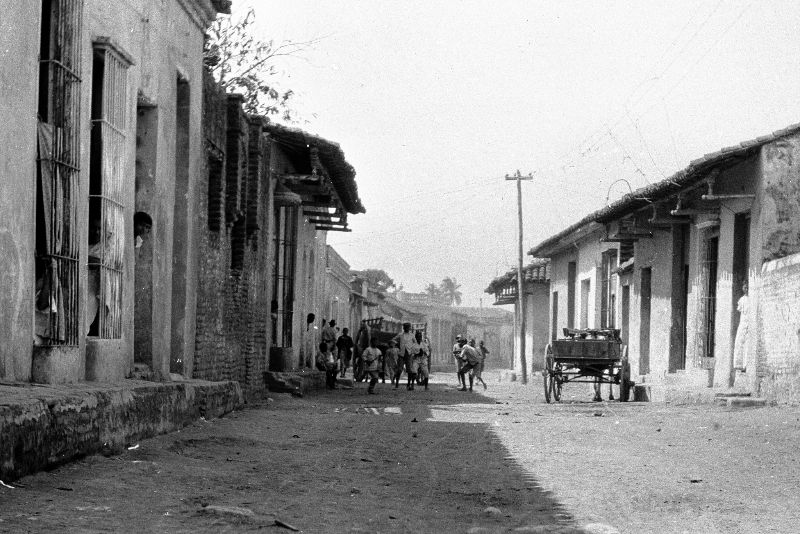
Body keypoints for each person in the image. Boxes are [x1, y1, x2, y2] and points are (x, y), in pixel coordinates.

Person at [393, 322, 419, 390]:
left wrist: (413, 349)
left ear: (409, 328)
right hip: (401, 354)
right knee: (399, 369)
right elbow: (393, 340)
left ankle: (408, 384)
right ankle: (396, 384)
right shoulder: (400, 334)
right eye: (405, 327)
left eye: (408, 327)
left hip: (409, 354)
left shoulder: (412, 335)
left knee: (409, 370)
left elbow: (415, 343)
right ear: (403, 328)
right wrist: (397, 344)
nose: (407, 328)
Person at [733, 282, 750, 371]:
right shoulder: (741, 300)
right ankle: (738, 364)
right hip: (743, 322)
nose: (746, 289)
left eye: (747, 288)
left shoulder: (751, 299)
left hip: (749, 322)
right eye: (744, 287)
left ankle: (745, 365)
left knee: (748, 344)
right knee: (739, 342)